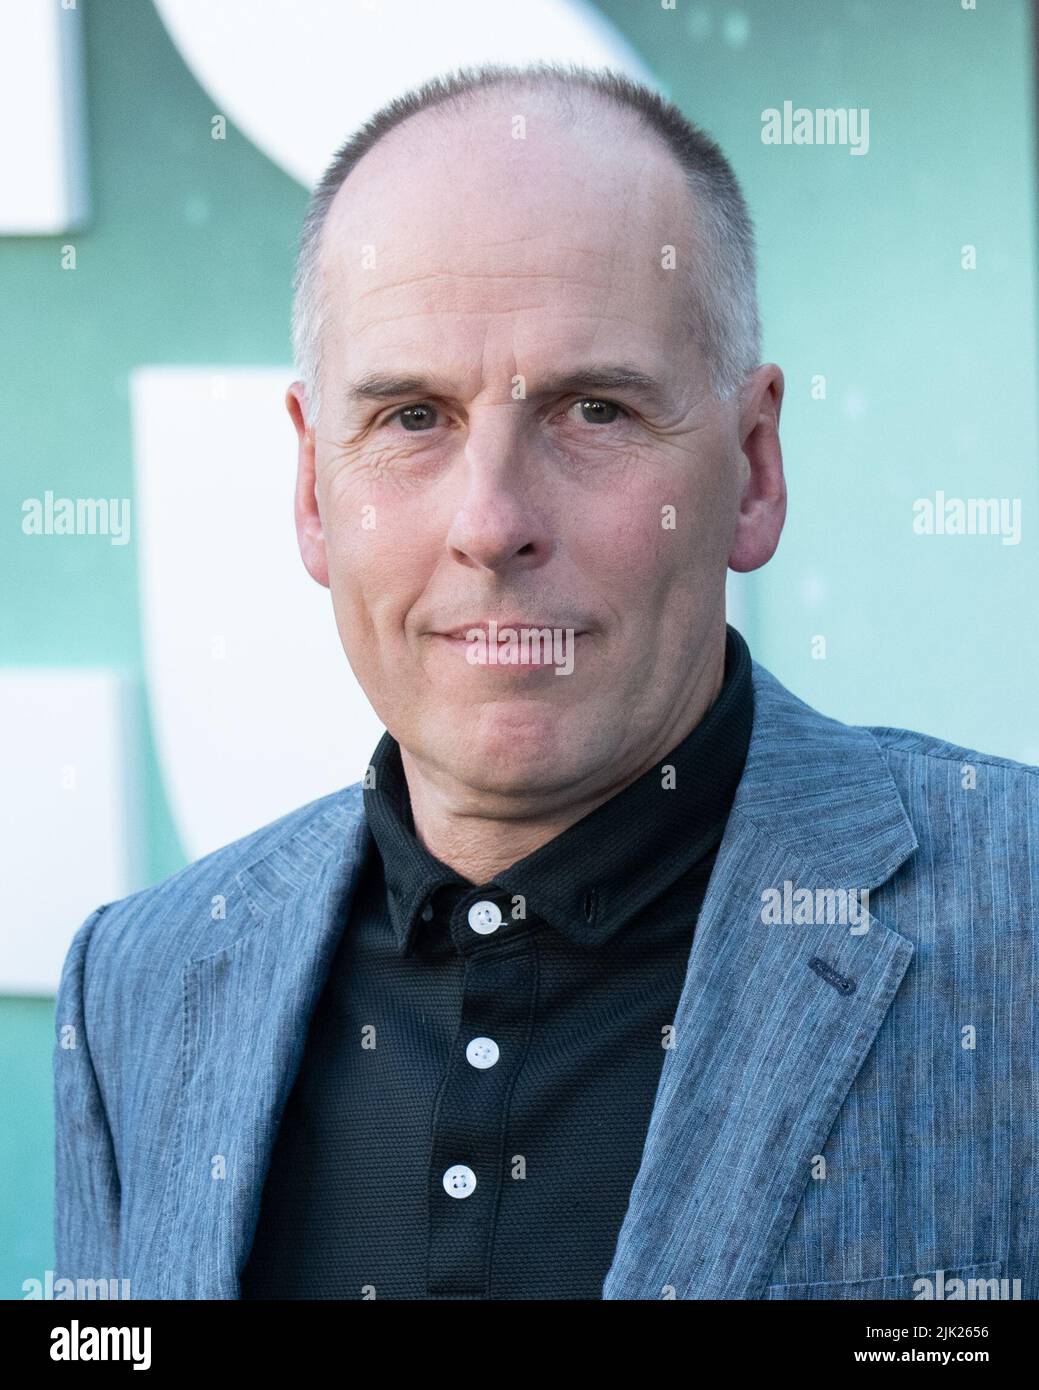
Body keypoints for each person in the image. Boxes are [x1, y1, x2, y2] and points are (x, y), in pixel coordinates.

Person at [54, 62, 1038, 1301]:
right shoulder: (139, 984)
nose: (492, 521)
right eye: (412, 417)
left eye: (592, 410)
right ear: (313, 491)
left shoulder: (1022, 920)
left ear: (753, 465)